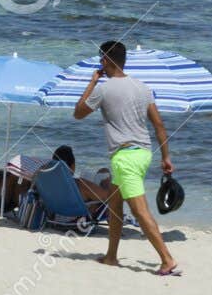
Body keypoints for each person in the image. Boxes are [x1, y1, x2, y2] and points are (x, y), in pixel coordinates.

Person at [72, 39, 180, 275]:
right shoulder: (142, 87)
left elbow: (78, 113)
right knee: (114, 205)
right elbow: (159, 125)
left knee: (140, 211)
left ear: (105, 61)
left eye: (101, 59)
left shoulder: (103, 89)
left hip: (125, 158)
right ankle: (111, 256)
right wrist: (166, 157)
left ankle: (167, 260)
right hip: (143, 153)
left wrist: (92, 82)